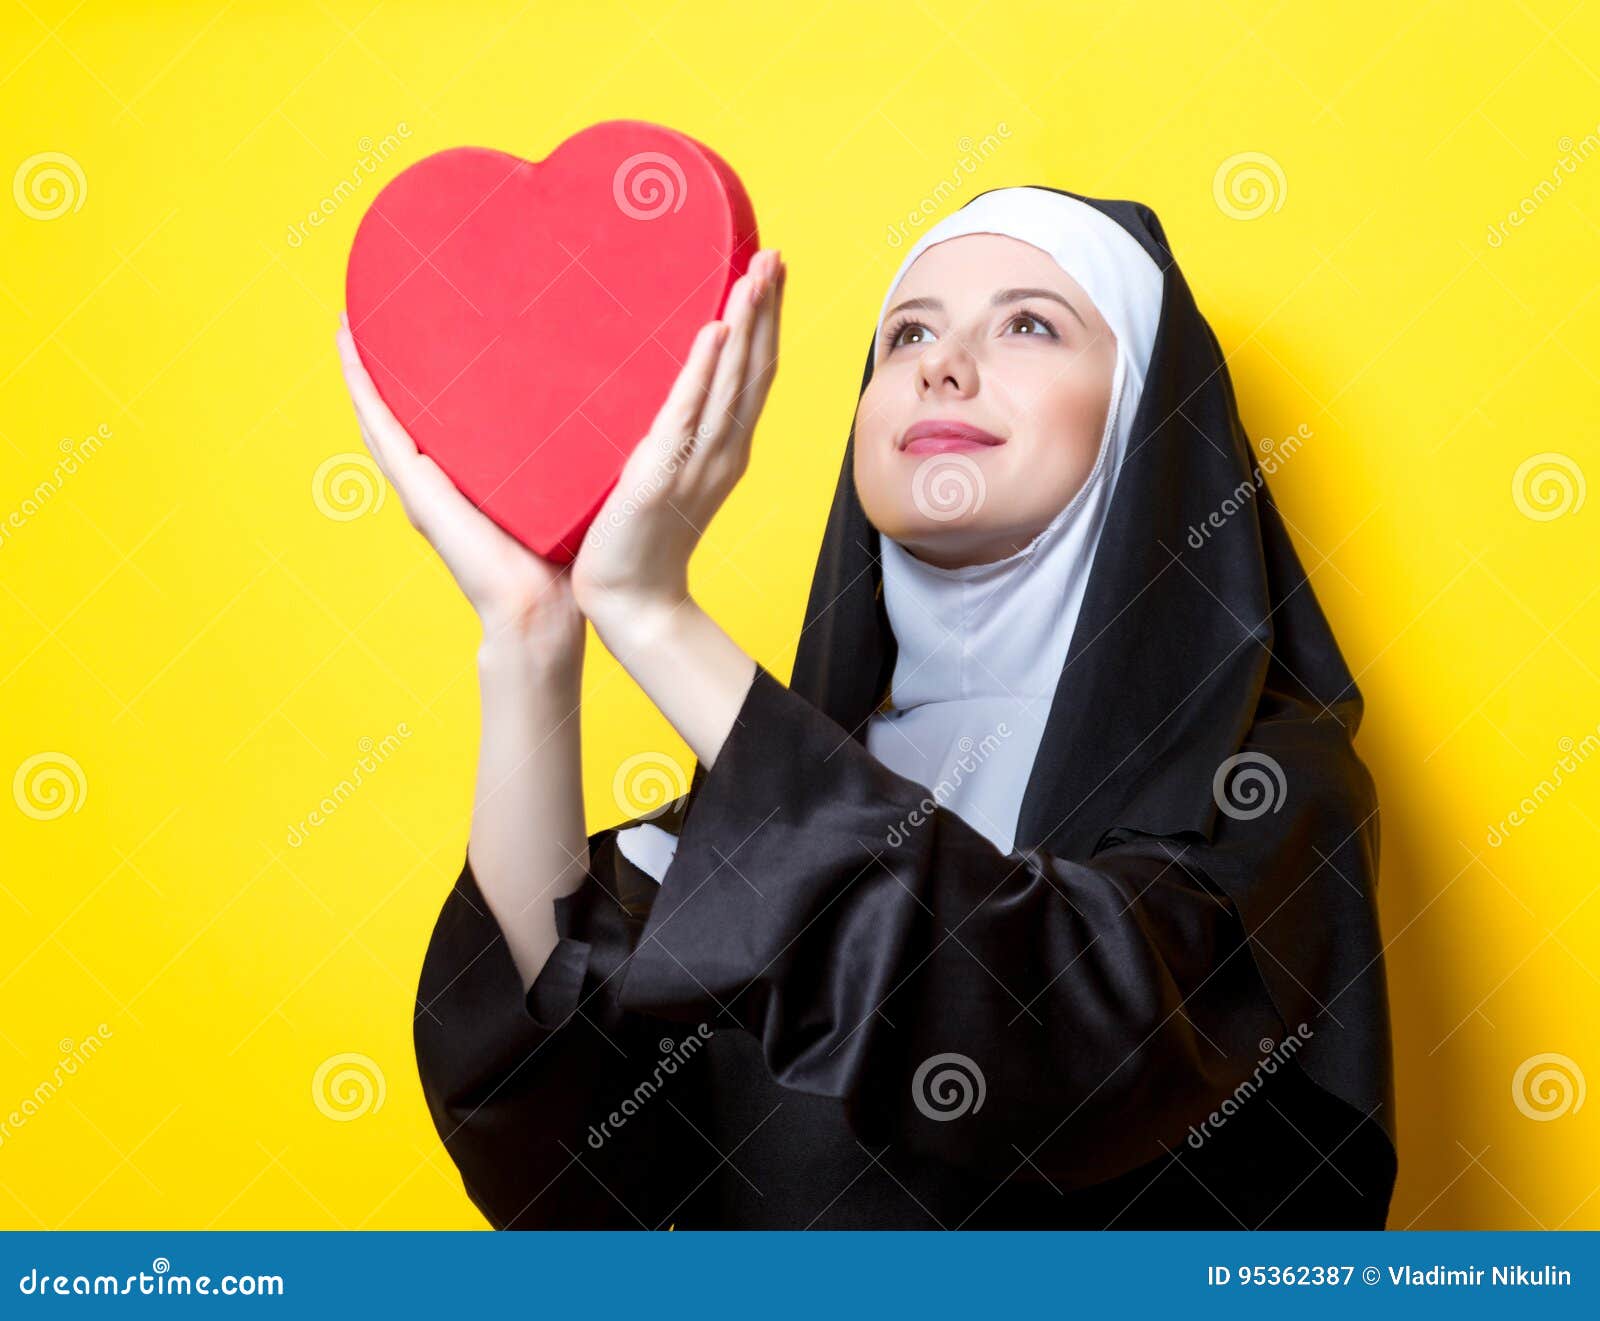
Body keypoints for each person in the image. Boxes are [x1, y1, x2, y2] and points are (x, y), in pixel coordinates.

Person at [335, 184, 1398, 1230]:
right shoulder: (753, 812)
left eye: (1030, 323)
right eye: (905, 335)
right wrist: (530, 636)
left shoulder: (1261, 785)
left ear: (1142, 415)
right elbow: (555, 1126)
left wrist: (657, 618)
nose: (941, 363)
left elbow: (1067, 1049)